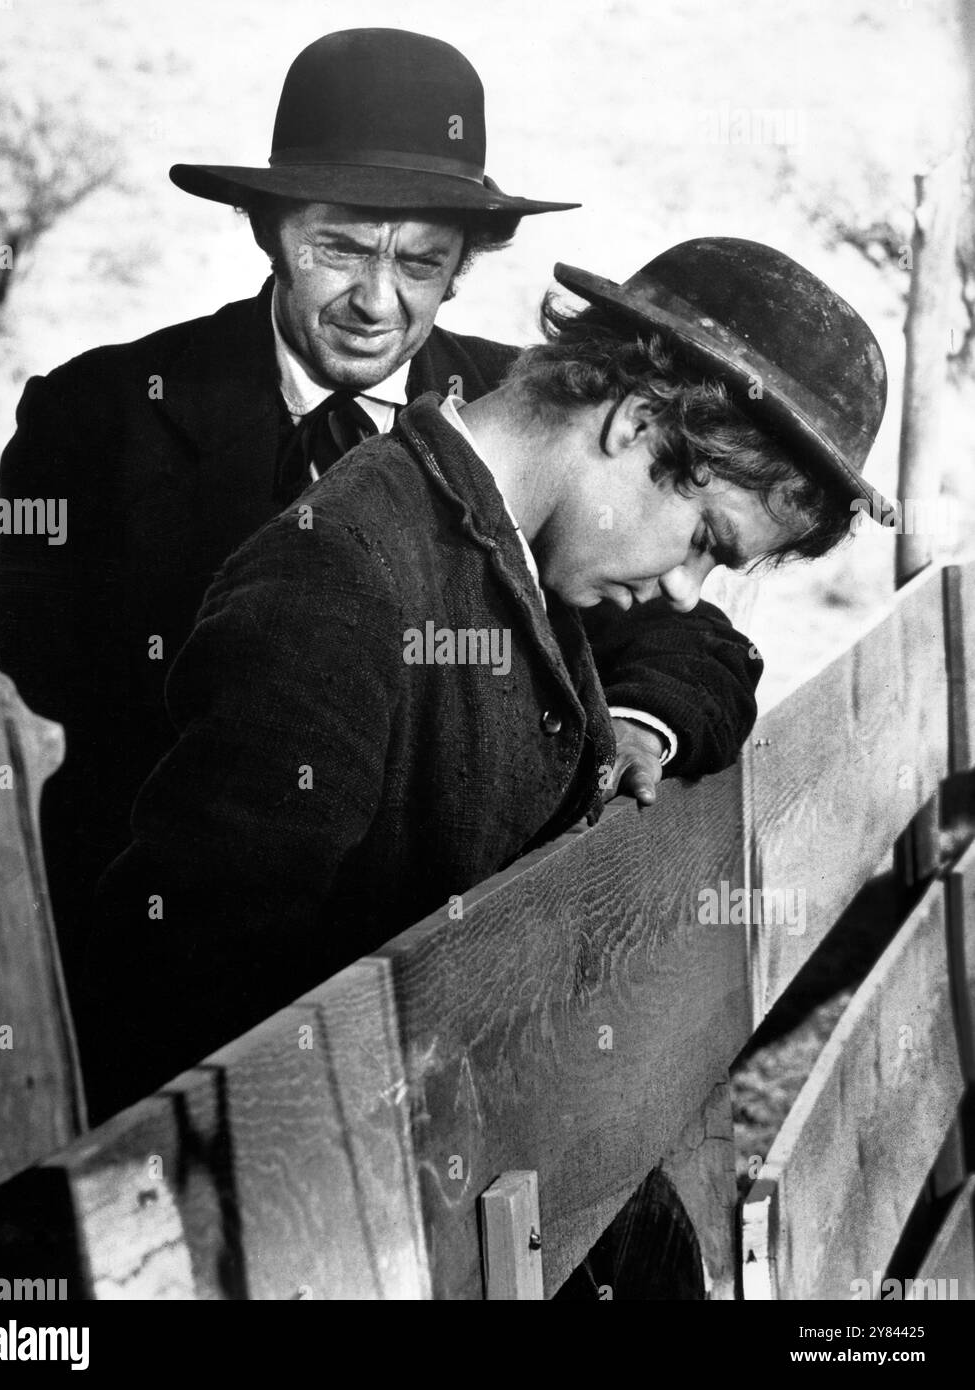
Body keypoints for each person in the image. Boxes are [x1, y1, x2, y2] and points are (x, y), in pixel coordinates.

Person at [0, 29, 760, 1001]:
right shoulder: (95, 417)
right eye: (336, 248)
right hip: (182, 962)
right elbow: (34, 700)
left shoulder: (519, 413)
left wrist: (639, 724)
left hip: (450, 978)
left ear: (463, 265)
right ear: (267, 232)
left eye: (421, 263)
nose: (375, 301)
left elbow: (697, 644)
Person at [79, 236, 896, 1122]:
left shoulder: (536, 545)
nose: (686, 589)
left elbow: (702, 654)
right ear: (634, 423)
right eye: (705, 539)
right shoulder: (338, 579)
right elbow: (196, 993)